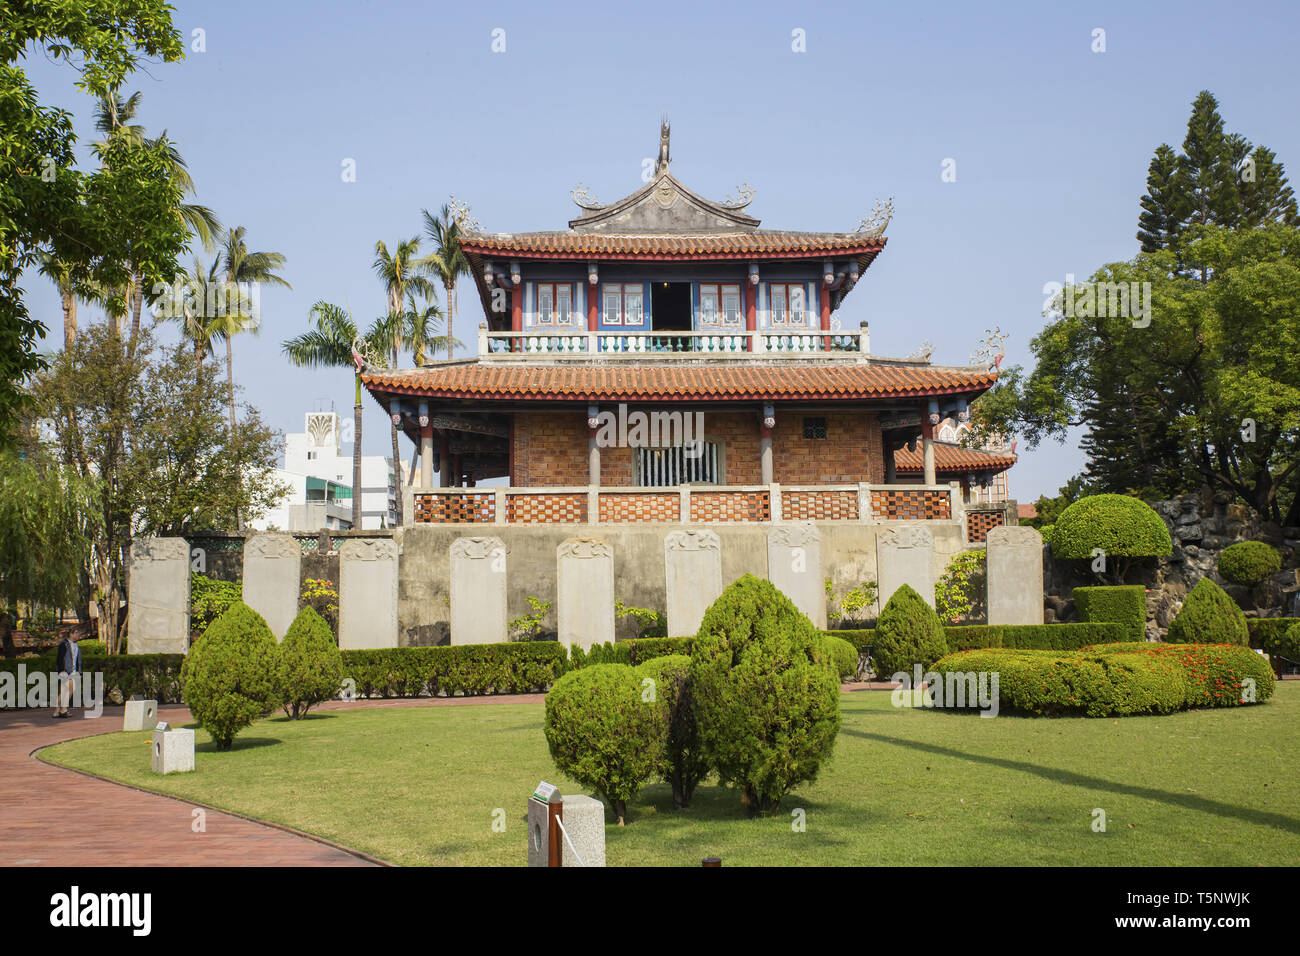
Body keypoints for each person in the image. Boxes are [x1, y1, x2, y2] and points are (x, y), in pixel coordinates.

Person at [52, 635, 81, 718]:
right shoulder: (64, 645)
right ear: (71, 634)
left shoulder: (76, 645)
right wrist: (61, 671)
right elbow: (59, 659)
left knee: (64, 691)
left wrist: (79, 671)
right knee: (70, 688)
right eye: (76, 632)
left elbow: (77, 659)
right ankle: (63, 709)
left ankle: (57, 711)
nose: (78, 634)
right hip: (66, 671)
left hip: (73, 671)